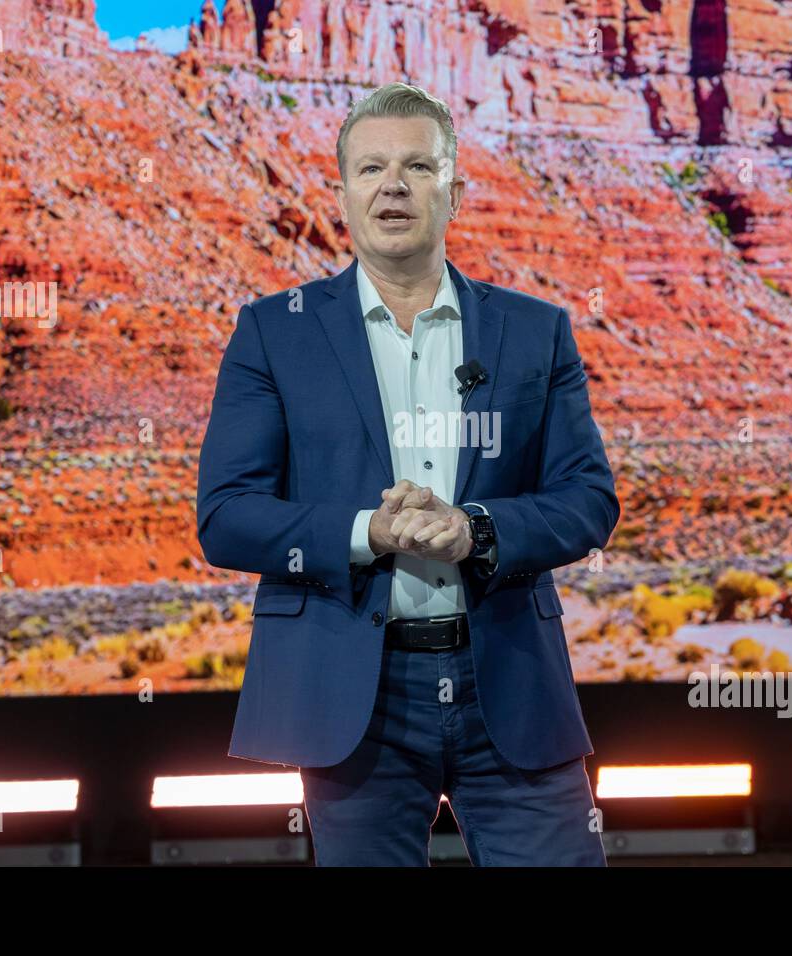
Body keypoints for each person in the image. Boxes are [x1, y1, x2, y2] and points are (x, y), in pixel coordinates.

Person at [196, 81, 620, 865]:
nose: (393, 185)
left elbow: (588, 500)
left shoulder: (534, 332)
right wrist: (369, 532)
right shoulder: (273, 333)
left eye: (419, 167)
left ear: (454, 192)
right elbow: (225, 515)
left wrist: (476, 529)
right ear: (344, 192)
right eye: (371, 168)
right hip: (355, 694)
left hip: (510, 684)